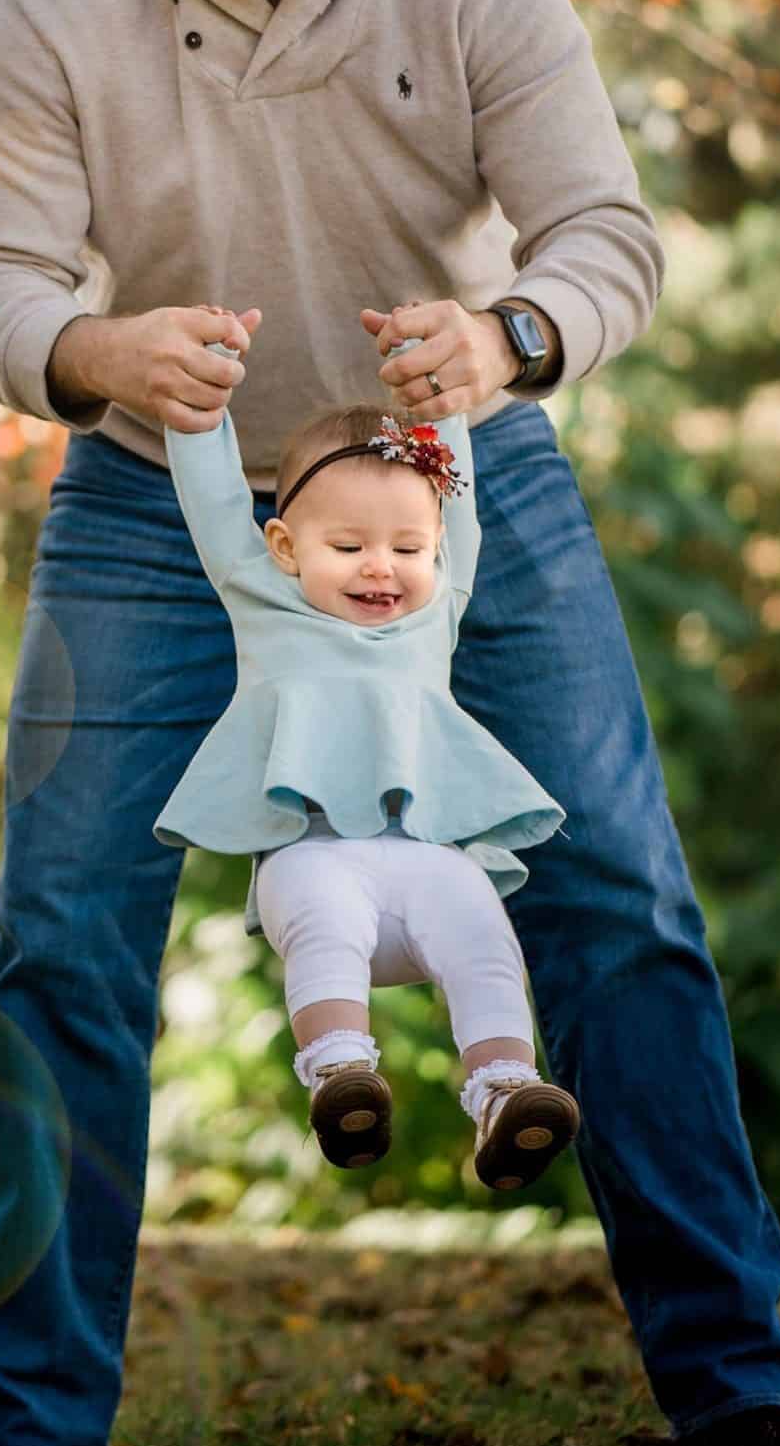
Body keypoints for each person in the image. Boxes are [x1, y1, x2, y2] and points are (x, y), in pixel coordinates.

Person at [0, 0, 780, 1446]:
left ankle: (732, 1391)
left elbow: (605, 236)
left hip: (455, 490)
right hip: (158, 506)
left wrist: (508, 334)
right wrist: (90, 349)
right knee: (62, 935)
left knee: (612, 894)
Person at [154, 315, 582, 1189]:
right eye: (347, 547)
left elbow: (452, 500)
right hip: (313, 855)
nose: (380, 568)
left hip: (429, 859)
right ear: (283, 549)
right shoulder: (261, 596)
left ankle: (505, 1091)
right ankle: (344, 1075)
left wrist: (436, 399)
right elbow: (212, 497)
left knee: (482, 927)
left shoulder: (439, 604)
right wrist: (202, 392)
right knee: (323, 920)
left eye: (405, 547)